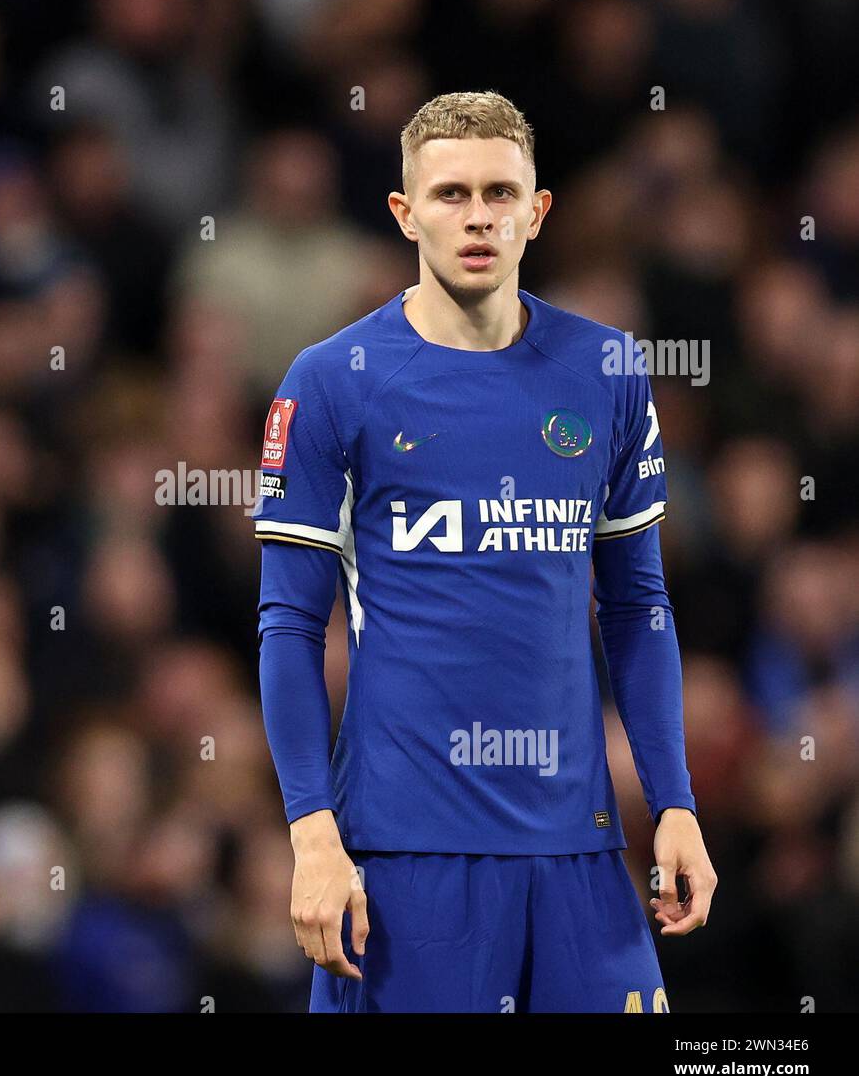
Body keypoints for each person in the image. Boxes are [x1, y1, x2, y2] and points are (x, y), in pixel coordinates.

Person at [254, 90, 717, 1012]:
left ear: (538, 210)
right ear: (405, 212)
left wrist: (673, 800)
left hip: (579, 851)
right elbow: (290, 623)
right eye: (452, 193)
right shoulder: (332, 382)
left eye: (501, 193)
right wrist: (311, 831)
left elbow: (637, 605)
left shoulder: (609, 373)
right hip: (403, 855)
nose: (478, 217)